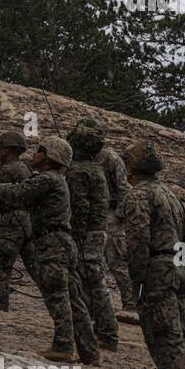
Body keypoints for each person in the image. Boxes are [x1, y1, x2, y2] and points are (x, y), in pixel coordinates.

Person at [0, 137, 99, 365]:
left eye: (41, 150)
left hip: (52, 244)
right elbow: (20, 200)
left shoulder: (47, 179)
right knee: (74, 298)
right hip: (62, 242)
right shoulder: (54, 180)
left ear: (51, 157)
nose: (36, 153)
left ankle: (63, 347)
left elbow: (18, 193)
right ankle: (89, 353)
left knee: (57, 295)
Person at [122, 140, 185, 369]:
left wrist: (138, 274)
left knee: (165, 335)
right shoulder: (172, 196)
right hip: (176, 269)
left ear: (134, 168)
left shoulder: (139, 196)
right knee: (180, 332)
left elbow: (138, 238)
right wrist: (178, 267)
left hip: (155, 269)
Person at [66, 124, 119, 350]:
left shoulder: (78, 171)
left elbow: (80, 205)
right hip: (97, 230)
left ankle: (106, 334)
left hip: (85, 232)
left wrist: (75, 232)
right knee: (92, 281)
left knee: (91, 282)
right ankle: (103, 331)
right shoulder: (95, 168)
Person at [74, 117, 135, 309]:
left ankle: (130, 302)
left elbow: (124, 188)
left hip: (110, 214)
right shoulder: (77, 157)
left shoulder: (109, 157)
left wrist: (119, 215)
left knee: (116, 260)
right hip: (84, 215)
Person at [0, 131, 39, 311]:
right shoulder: (26, 168)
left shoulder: (5, 171)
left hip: (11, 223)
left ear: (7, 150)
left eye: (0, 148)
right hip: (29, 223)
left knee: (1, 268)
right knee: (35, 267)